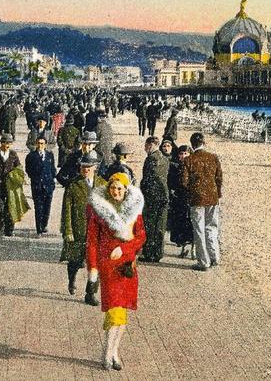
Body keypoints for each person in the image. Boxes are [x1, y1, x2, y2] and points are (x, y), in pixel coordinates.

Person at [85, 173, 145, 371]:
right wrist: (92, 268)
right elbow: (92, 241)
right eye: (113, 188)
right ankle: (107, 352)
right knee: (114, 310)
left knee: (123, 311)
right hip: (108, 266)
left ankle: (115, 351)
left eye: (120, 188)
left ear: (126, 190)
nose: (116, 192)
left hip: (127, 267)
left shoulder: (135, 211)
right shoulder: (98, 211)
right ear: (108, 189)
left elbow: (141, 237)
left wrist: (125, 249)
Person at [61, 150, 106, 305]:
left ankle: (90, 294)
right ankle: (72, 278)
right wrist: (67, 231)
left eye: (89, 166)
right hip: (78, 231)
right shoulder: (73, 185)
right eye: (83, 166)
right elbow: (66, 210)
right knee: (74, 261)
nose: (85, 169)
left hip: (97, 233)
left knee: (96, 264)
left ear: (95, 167)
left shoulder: (103, 185)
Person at [180, 133, 223, 271]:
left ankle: (203, 262)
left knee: (199, 229)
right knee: (212, 227)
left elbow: (184, 182)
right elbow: (219, 178)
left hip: (197, 198)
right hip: (212, 197)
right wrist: (217, 193)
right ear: (204, 142)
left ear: (192, 144)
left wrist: (193, 190)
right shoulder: (213, 157)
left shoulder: (189, 160)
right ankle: (214, 257)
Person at [139, 137, 170, 262]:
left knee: (150, 225)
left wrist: (142, 191)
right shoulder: (165, 159)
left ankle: (149, 253)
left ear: (151, 145)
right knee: (160, 225)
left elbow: (147, 179)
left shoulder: (151, 159)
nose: (145, 148)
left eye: (146, 145)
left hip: (152, 196)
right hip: (163, 195)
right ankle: (158, 252)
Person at [0, 133, 21, 236]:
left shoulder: (13, 155)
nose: (7, 145)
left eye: (9, 143)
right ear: (1, 143)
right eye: (5, 143)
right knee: (1, 207)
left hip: (10, 186)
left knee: (10, 207)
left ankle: (10, 229)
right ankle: (1, 227)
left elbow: (18, 168)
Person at [25, 136, 57, 235]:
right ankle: (38, 229)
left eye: (42, 143)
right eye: (38, 143)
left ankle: (44, 225)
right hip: (37, 185)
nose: (40, 145)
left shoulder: (50, 155)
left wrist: (52, 180)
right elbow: (28, 169)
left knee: (47, 207)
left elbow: (52, 168)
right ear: (36, 144)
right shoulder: (31, 156)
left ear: (45, 145)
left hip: (48, 185)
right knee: (38, 207)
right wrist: (35, 177)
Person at [167, 145, 194, 257]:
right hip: (178, 199)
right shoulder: (174, 167)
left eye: (185, 154)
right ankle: (182, 247)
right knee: (179, 223)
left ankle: (191, 248)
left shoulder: (193, 168)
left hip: (189, 199)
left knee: (190, 223)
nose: (183, 156)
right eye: (181, 154)